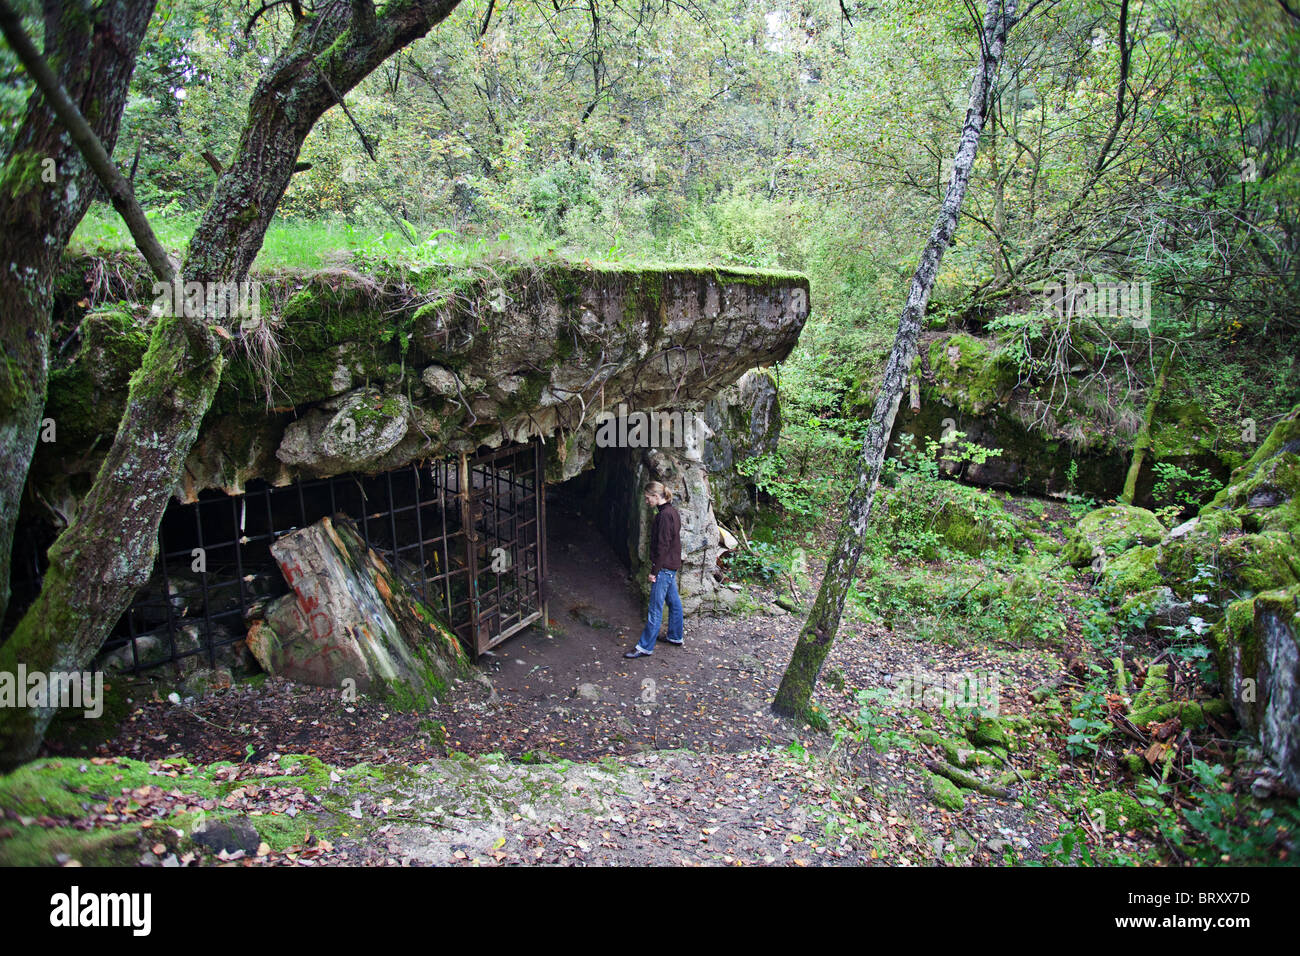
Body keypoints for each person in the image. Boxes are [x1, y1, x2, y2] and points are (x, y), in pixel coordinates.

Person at [624, 481, 683, 658]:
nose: (646, 501)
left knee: (655, 609)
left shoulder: (663, 516)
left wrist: (654, 571)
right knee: (674, 602)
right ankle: (675, 636)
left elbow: (662, 546)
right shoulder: (672, 512)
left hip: (664, 568)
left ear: (656, 497)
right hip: (671, 565)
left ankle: (644, 647)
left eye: (647, 498)